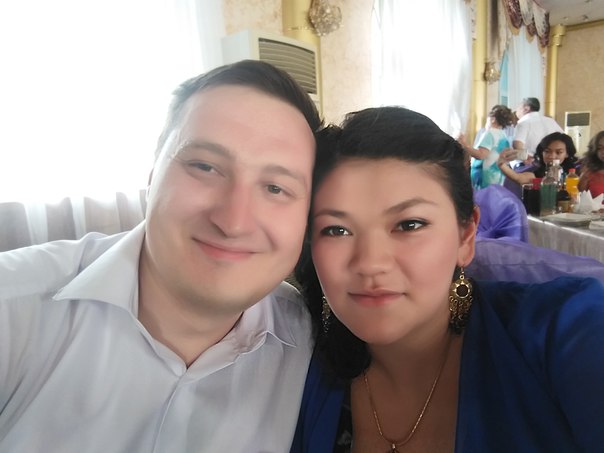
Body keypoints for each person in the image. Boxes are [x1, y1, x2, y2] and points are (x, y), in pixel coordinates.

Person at [0, 60, 322, 452]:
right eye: (204, 167)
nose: (233, 222)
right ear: (152, 177)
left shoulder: (312, 342)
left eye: (275, 188)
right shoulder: (14, 312)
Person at [291, 106, 604, 452]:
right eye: (336, 230)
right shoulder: (293, 359)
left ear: (465, 237)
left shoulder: (562, 330)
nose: (369, 264)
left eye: (409, 224)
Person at [498, 131, 579, 196]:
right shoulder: (537, 173)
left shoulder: (573, 174)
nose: (552, 156)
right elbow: (518, 178)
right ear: (541, 152)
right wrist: (502, 164)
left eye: (558, 152)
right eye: (547, 151)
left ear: (567, 154)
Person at [458, 105, 515, 189]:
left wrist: (464, 144)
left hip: (485, 179)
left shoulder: (490, 133)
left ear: (493, 119)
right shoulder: (503, 136)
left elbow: (481, 155)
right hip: (497, 178)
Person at [578, 130, 604, 198]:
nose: (603, 152)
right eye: (599, 148)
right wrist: (584, 177)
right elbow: (579, 196)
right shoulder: (588, 172)